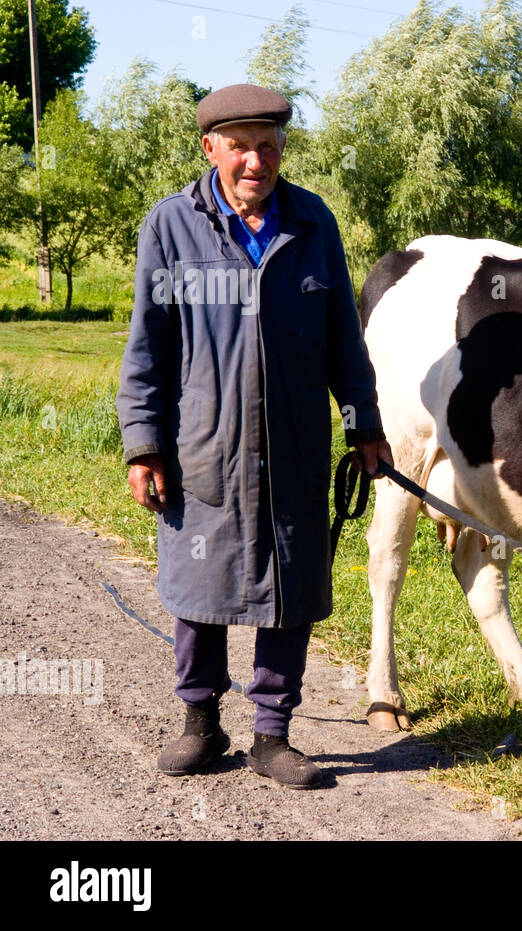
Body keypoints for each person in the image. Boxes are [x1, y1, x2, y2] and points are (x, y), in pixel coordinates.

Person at [115, 84, 393, 789]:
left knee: (289, 587)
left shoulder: (312, 223)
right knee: (198, 587)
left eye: (267, 145)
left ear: (282, 151)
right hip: (201, 447)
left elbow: (343, 342)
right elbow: (146, 345)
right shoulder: (171, 226)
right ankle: (201, 724)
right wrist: (144, 443)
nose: (254, 160)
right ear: (210, 148)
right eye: (239, 145)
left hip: (294, 444)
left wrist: (364, 422)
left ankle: (273, 734)